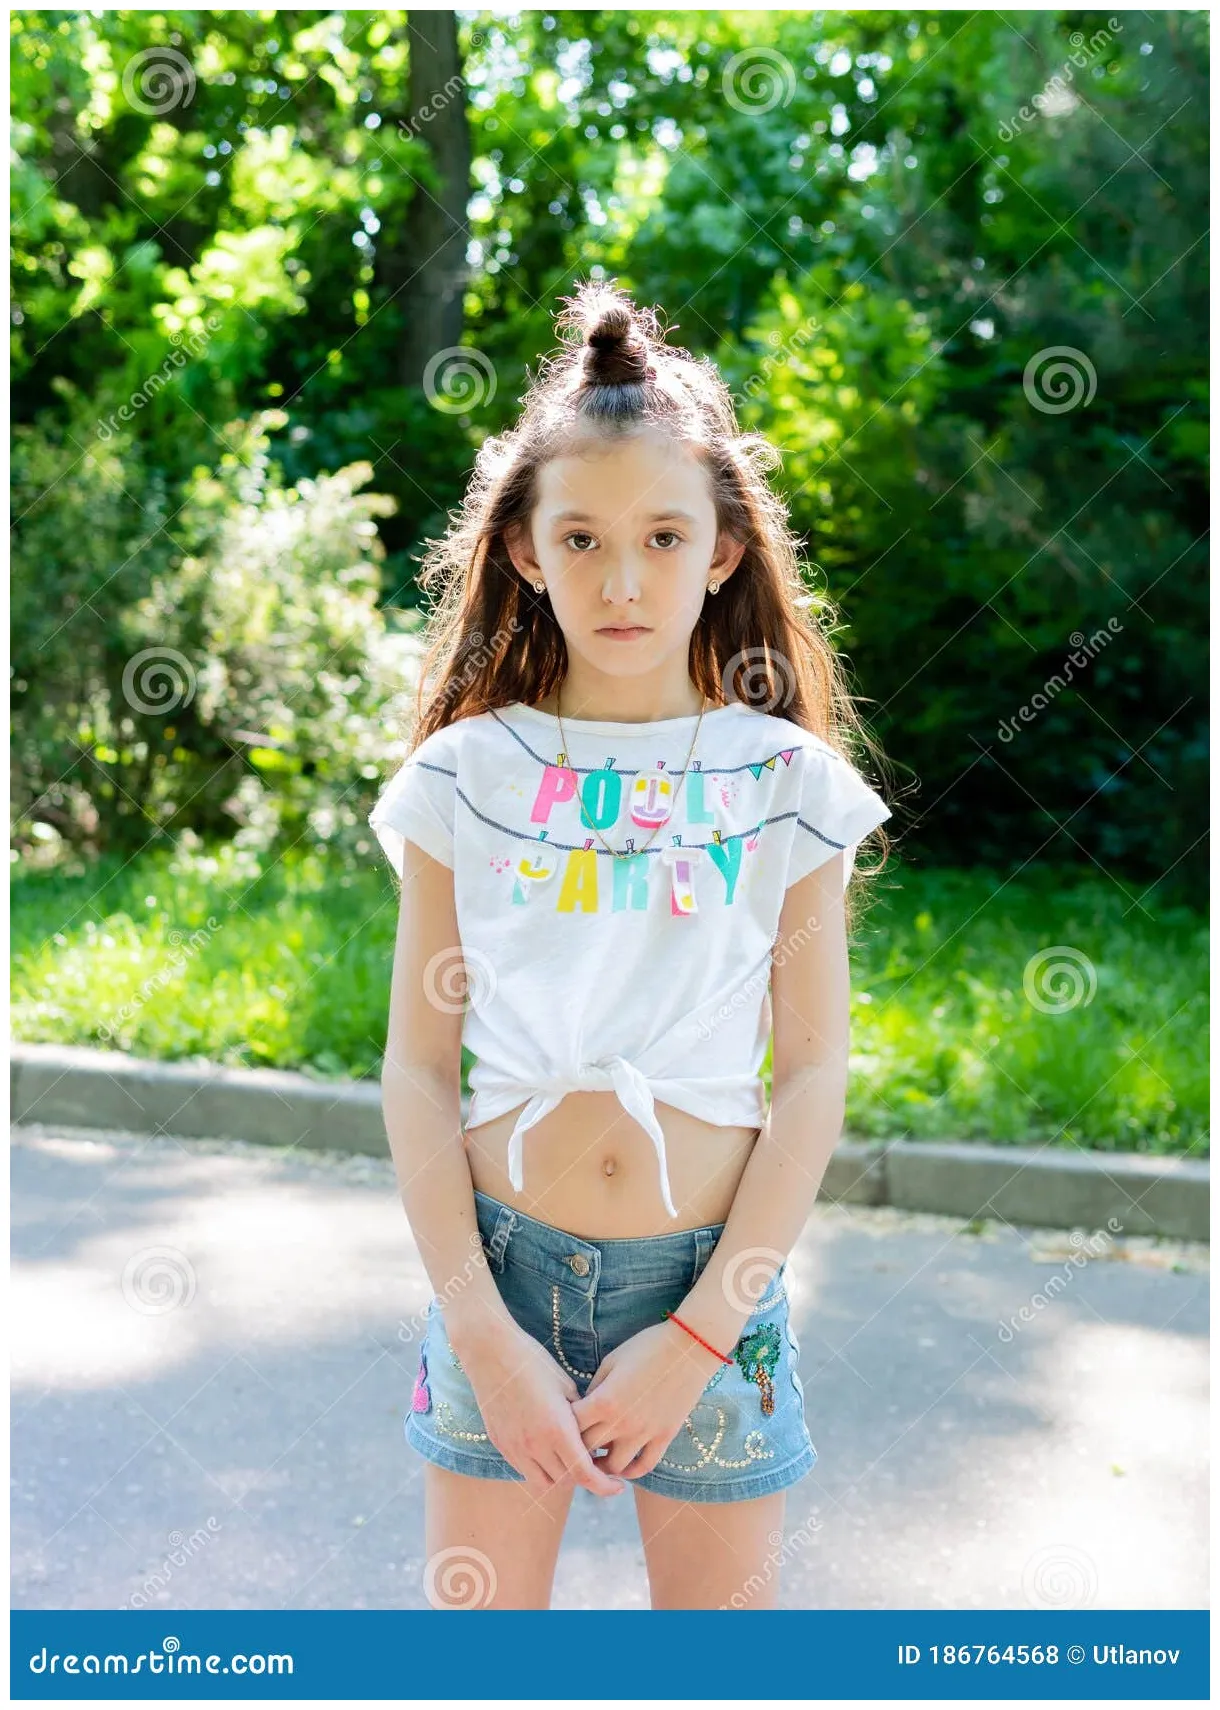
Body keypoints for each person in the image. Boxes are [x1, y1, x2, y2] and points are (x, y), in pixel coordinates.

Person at [368, 279, 894, 1611]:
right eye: (584, 538)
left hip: (709, 1290)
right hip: (499, 1273)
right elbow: (419, 1069)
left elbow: (814, 1080)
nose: (622, 579)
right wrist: (483, 1328)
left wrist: (702, 1331)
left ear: (724, 548)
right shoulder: (466, 774)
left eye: (664, 537)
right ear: (528, 551)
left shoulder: (786, 783)